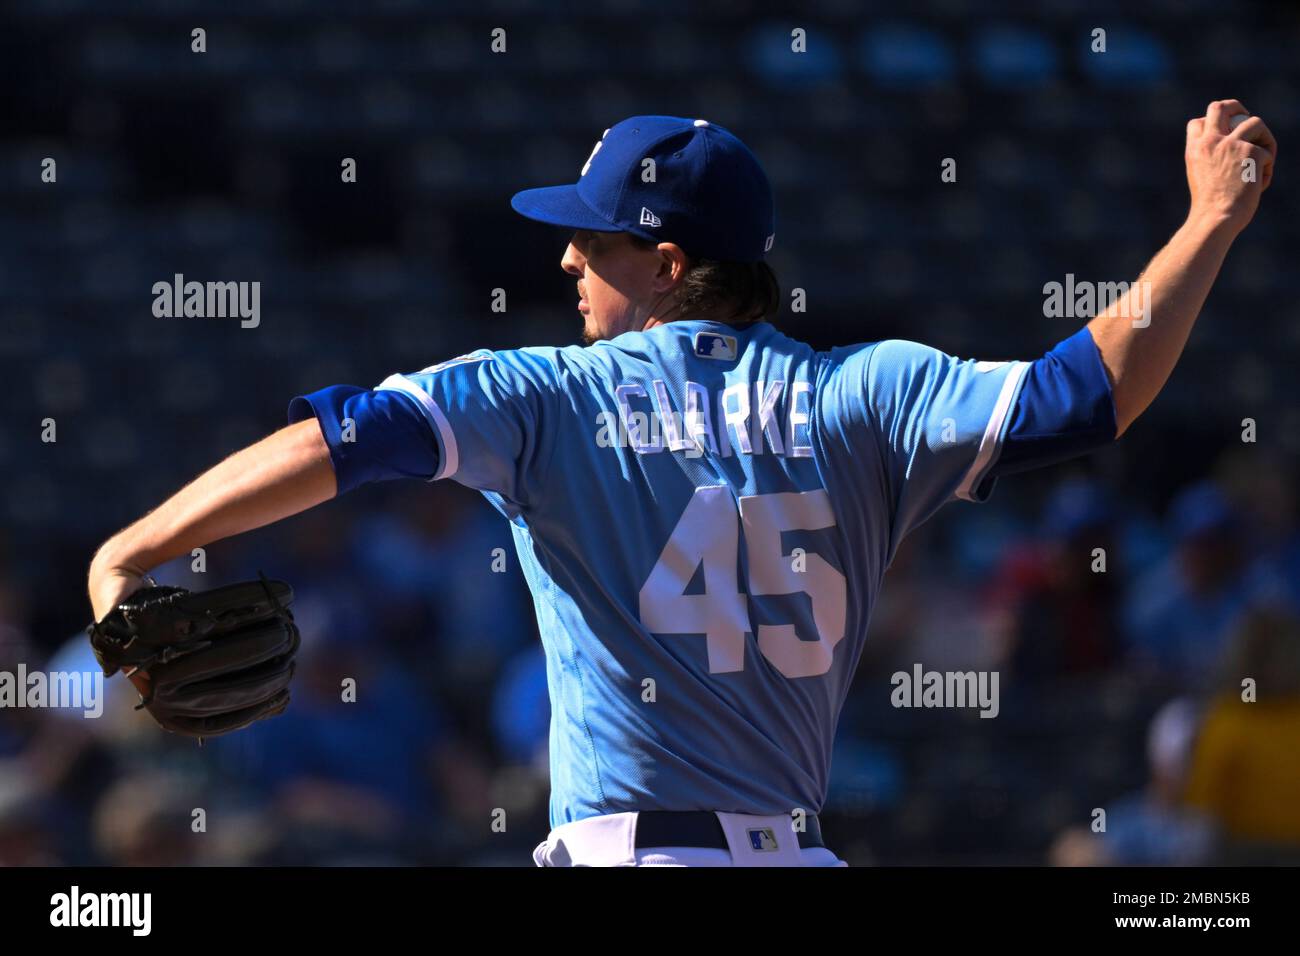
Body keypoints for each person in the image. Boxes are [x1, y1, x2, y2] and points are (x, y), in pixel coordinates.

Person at [87, 106, 1276, 866]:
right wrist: (1210, 222)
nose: (565, 259)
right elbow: (1090, 392)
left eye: (592, 242)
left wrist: (134, 547)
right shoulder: (865, 391)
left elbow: (341, 440)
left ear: (664, 263)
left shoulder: (549, 390)